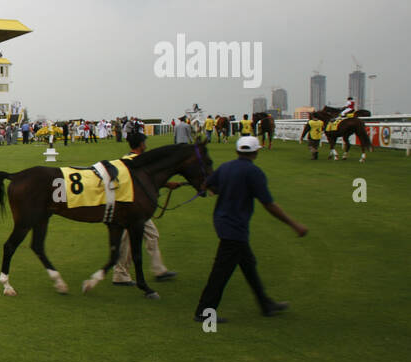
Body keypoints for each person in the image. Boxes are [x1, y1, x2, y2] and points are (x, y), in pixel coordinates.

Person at [193, 136, 306, 324]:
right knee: (221, 272)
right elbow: (269, 204)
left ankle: (265, 304)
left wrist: (223, 188)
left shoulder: (225, 167)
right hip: (234, 227)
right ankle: (204, 312)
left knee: (248, 264)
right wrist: (294, 224)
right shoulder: (254, 172)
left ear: (237, 151)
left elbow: (206, 185)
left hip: (222, 222)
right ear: (256, 152)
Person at [112, 130, 178, 286]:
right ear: (141, 144)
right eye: (144, 143)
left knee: (151, 235)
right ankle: (120, 274)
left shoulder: (126, 160)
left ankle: (158, 269)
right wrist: (167, 184)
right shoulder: (138, 162)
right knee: (128, 240)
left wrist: (167, 184)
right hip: (132, 207)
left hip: (132, 205)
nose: (146, 145)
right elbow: (146, 181)